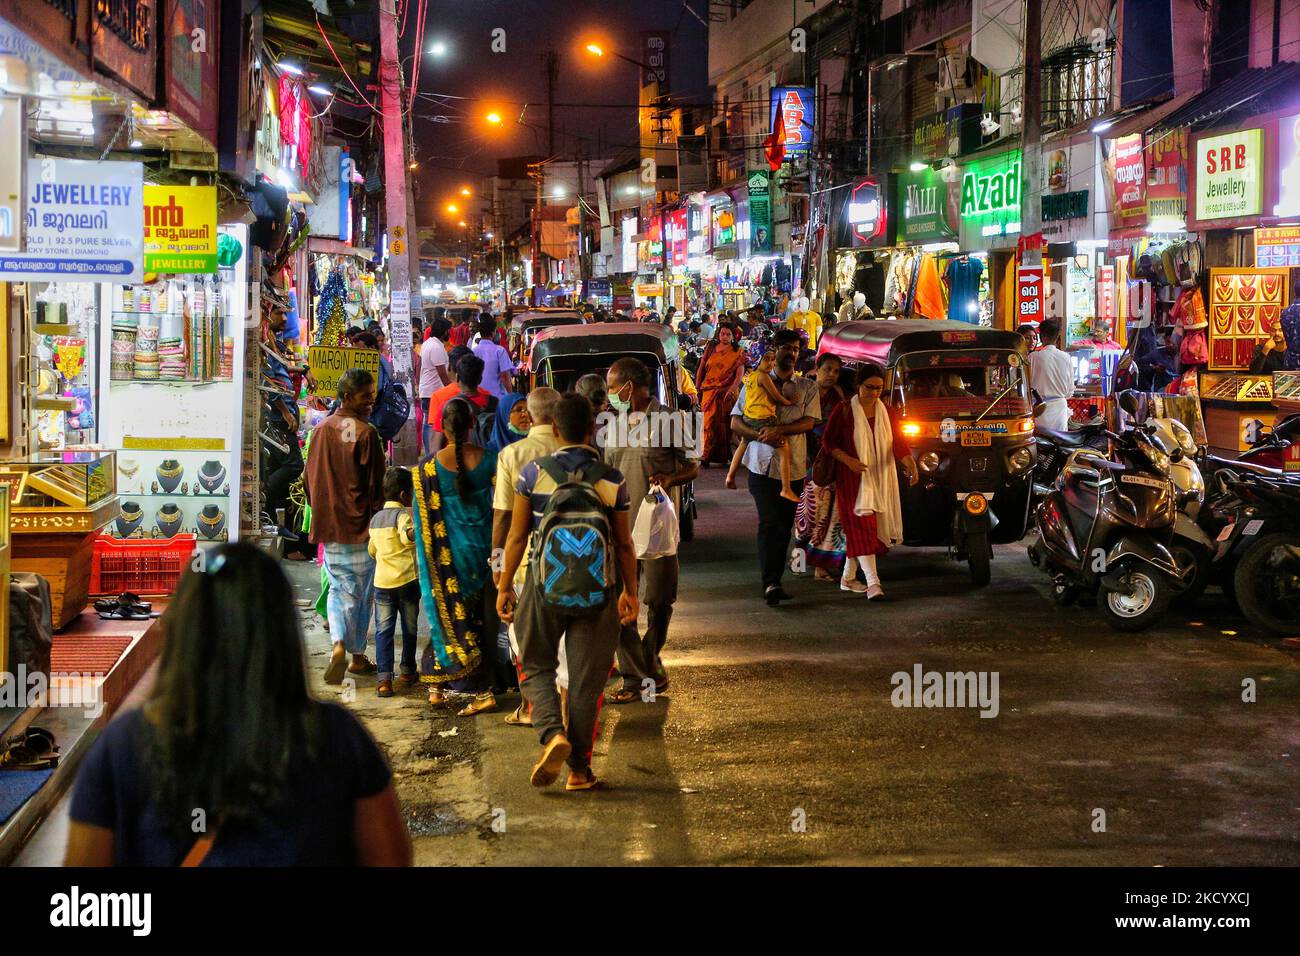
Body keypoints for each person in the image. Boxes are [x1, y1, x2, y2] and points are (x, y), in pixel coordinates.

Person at [65, 543, 411, 866]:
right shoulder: (338, 738)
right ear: (282, 631)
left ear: (183, 629)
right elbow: (392, 859)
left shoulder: (121, 748)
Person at [496, 393, 639, 791]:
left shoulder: (532, 474)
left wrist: (505, 585)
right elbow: (625, 544)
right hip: (599, 590)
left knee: (536, 662)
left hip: (544, 588)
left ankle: (550, 733)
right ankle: (578, 770)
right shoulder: (612, 479)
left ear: (554, 430)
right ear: (593, 429)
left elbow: (517, 536)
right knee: (585, 682)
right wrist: (631, 592)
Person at [603, 358, 699, 705]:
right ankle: (636, 675)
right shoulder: (611, 424)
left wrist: (671, 478)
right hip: (619, 530)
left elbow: (692, 466)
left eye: (613, 387)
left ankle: (649, 657)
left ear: (631, 386)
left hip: (656, 528)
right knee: (618, 603)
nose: (610, 393)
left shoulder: (669, 419)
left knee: (659, 600)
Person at [413, 399, 500, 716]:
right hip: (485, 553)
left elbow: (422, 528)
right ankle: (440, 686)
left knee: (447, 618)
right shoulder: (491, 460)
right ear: (472, 422)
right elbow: (503, 508)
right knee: (478, 622)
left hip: (447, 558)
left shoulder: (426, 470)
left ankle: (478, 690)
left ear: (442, 428)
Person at [304, 368, 386, 683]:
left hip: (330, 525)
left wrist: (320, 509)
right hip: (361, 526)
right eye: (366, 396)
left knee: (339, 590)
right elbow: (377, 488)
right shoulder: (366, 434)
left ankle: (338, 643)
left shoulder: (322, 430)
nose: (370, 402)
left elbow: (308, 479)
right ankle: (357, 656)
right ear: (349, 397)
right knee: (362, 594)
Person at [730, 330, 820, 606]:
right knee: (769, 522)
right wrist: (760, 435)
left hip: (791, 468)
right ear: (774, 350)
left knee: (782, 527)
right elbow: (735, 421)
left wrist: (779, 429)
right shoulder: (754, 382)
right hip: (760, 466)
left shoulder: (807, 387)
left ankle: (776, 580)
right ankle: (770, 582)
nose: (792, 354)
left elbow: (809, 422)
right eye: (787, 348)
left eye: (796, 349)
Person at [491, 387, 562, 728]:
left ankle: (532, 706)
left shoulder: (512, 455)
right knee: (563, 638)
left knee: (526, 637)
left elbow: (504, 519)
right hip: (573, 561)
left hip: (525, 563)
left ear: (531, 416)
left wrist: (497, 566)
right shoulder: (579, 451)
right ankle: (562, 704)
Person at [821, 364, 919, 598]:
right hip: (852, 479)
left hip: (880, 477)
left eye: (879, 389)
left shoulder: (887, 411)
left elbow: (898, 442)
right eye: (870, 387)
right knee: (863, 526)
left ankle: (848, 577)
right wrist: (849, 460)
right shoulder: (843, 410)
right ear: (858, 385)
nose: (874, 393)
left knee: (867, 528)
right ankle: (874, 582)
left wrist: (910, 463)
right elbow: (828, 443)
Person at [794, 353, 849, 584]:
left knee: (827, 515)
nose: (832, 375)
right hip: (804, 460)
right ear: (817, 369)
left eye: (836, 371)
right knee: (804, 515)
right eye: (828, 370)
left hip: (828, 461)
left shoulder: (838, 395)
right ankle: (798, 561)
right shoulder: (804, 391)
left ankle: (822, 566)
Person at [368, 467, 421, 698]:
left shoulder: (375, 519)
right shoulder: (402, 516)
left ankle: (384, 680)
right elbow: (406, 537)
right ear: (403, 496)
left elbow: (372, 550)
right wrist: (416, 532)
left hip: (382, 584)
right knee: (409, 629)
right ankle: (408, 670)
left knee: (383, 631)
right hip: (407, 582)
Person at [727, 348, 800, 502]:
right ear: (757, 360)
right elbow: (776, 397)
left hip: (748, 418)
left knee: (743, 443)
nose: (771, 363)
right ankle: (786, 489)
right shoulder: (764, 377)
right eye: (766, 359)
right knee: (784, 447)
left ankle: (730, 475)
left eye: (773, 360)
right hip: (763, 419)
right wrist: (790, 402)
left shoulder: (750, 377)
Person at [695, 324, 746, 466]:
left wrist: (731, 389)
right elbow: (701, 367)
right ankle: (706, 454)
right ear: (718, 334)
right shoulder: (710, 348)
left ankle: (721, 456)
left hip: (727, 393)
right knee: (708, 423)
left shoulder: (738, 352)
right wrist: (697, 386)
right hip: (708, 390)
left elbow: (739, 374)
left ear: (733, 336)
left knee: (725, 426)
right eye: (722, 334)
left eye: (728, 334)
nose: (724, 337)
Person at [428, 353, 494, 453]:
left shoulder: (447, 405)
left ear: (457, 377)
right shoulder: (494, 402)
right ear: (480, 379)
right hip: (487, 463)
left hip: (454, 463)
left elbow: (435, 447)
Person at [1027, 317, 1076, 432]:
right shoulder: (1066, 357)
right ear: (1057, 337)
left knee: (1040, 444)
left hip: (1039, 408)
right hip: (1060, 409)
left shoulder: (1033, 357)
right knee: (1060, 444)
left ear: (1043, 336)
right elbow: (1070, 390)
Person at [419, 317, 452, 454]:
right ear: (444, 332)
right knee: (430, 424)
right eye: (448, 331)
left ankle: (430, 453)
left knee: (429, 423)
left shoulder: (428, 343)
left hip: (428, 390)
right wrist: (451, 389)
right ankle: (430, 454)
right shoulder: (436, 347)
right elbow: (442, 374)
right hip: (433, 392)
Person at [472, 313, 516, 397]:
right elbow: (505, 376)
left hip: (479, 397)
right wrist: (511, 395)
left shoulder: (473, 351)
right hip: (497, 398)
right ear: (493, 333)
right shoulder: (499, 350)